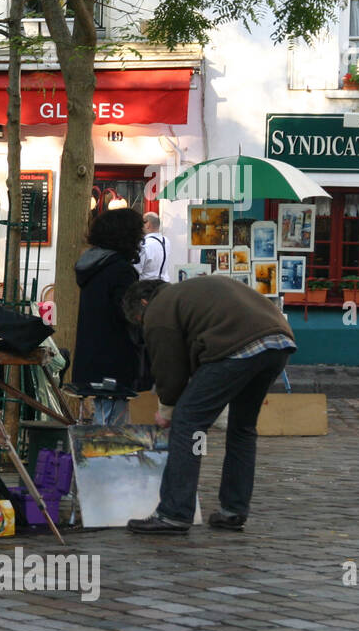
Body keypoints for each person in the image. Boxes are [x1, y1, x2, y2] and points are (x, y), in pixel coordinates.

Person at [120, 275, 296, 534]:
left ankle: (173, 513)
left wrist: (167, 410)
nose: (143, 326)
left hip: (238, 348)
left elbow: (169, 368)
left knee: (187, 422)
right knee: (242, 428)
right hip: (277, 343)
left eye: (139, 322)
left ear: (143, 303)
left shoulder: (159, 309)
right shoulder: (190, 293)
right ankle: (233, 510)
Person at [73, 207, 144, 426]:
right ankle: (105, 459)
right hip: (114, 356)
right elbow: (128, 313)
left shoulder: (93, 265)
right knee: (112, 424)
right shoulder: (120, 270)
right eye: (139, 233)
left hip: (91, 355)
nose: (141, 239)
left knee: (104, 415)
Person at [138, 211, 171, 281]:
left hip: (147, 286)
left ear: (147, 224)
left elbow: (137, 269)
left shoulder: (145, 244)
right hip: (164, 285)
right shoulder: (166, 241)